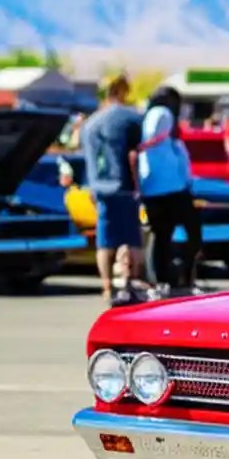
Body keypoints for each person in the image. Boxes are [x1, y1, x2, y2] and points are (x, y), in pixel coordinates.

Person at [80, 75, 144, 303]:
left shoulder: (89, 123)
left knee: (105, 239)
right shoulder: (131, 118)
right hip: (125, 186)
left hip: (98, 186)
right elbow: (136, 155)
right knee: (131, 238)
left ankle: (106, 285)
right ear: (123, 91)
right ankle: (130, 280)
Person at [136, 86, 202, 295]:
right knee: (187, 233)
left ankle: (165, 278)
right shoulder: (161, 116)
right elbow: (155, 136)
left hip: (158, 186)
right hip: (170, 187)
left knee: (162, 235)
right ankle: (178, 277)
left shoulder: (153, 123)